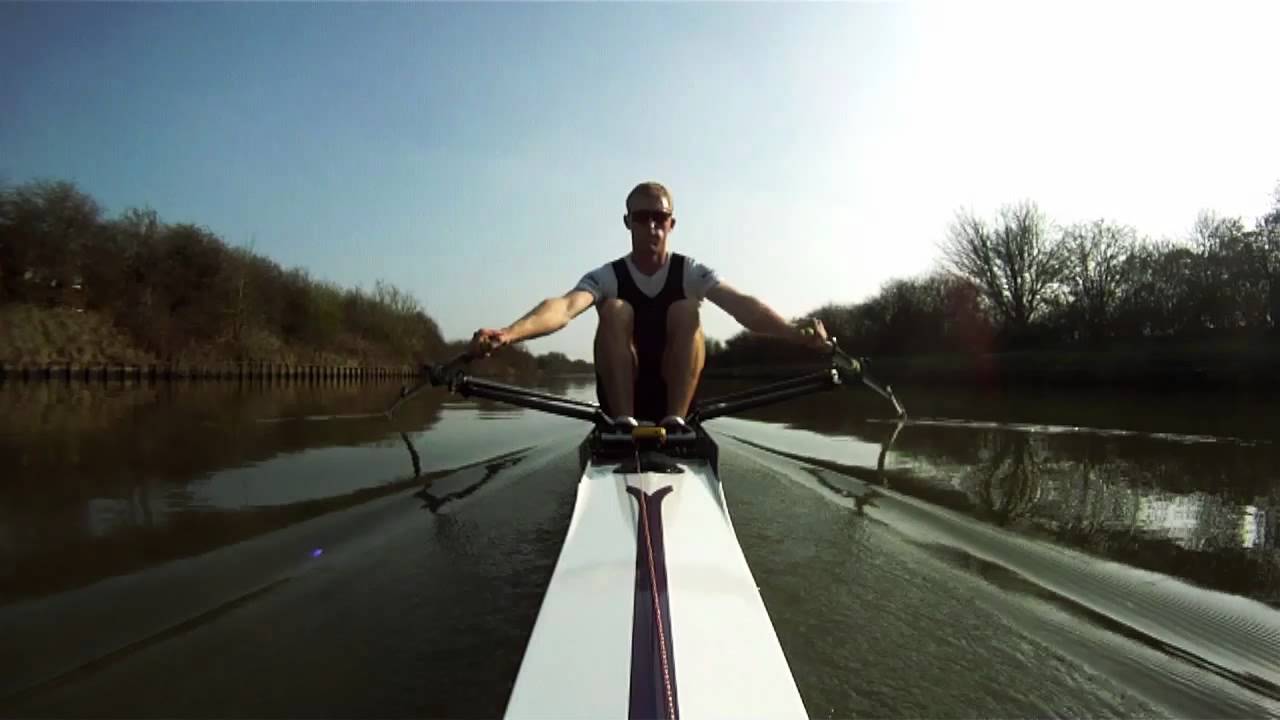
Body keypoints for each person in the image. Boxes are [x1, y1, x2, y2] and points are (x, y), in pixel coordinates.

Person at [469, 181, 829, 429]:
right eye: (643, 218)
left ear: (671, 224)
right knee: (615, 309)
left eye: (660, 218)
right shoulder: (607, 276)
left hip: (675, 398)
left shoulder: (691, 272)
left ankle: (676, 423)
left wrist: (792, 332)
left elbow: (742, 306)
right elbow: (562, 308)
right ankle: (622, 425)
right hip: (621, 399)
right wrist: (508, 334)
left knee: (686, 309)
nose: (652, 226)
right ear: (628, 222)